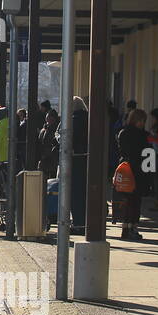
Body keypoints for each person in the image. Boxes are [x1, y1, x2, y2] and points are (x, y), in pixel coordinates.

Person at [116, 108, 150, 241]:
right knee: (135, 201)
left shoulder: (123, 133)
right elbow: (147, 154)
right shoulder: (142, 135)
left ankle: (126, 228)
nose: (143, 123)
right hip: (139, 171)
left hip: (126, 169)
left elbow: (122, 151)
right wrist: (150, 174)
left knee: (127, 200)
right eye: (142, 121)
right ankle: (133, 228)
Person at [69, 96, 89, 234]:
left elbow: (70, 139)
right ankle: (84, 222)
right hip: (87, 160)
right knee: (84, 192)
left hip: (76, 159)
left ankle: (78, 223)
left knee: (75, 193)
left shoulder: (73, 121)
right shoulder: (90, 119)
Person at [38, 108, 60, 182]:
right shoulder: (44, 129)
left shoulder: (56, 130)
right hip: (44, 159)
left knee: (51, 179)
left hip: (51, 159)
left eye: (49, 118)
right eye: (46, 118)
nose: (47, 120)